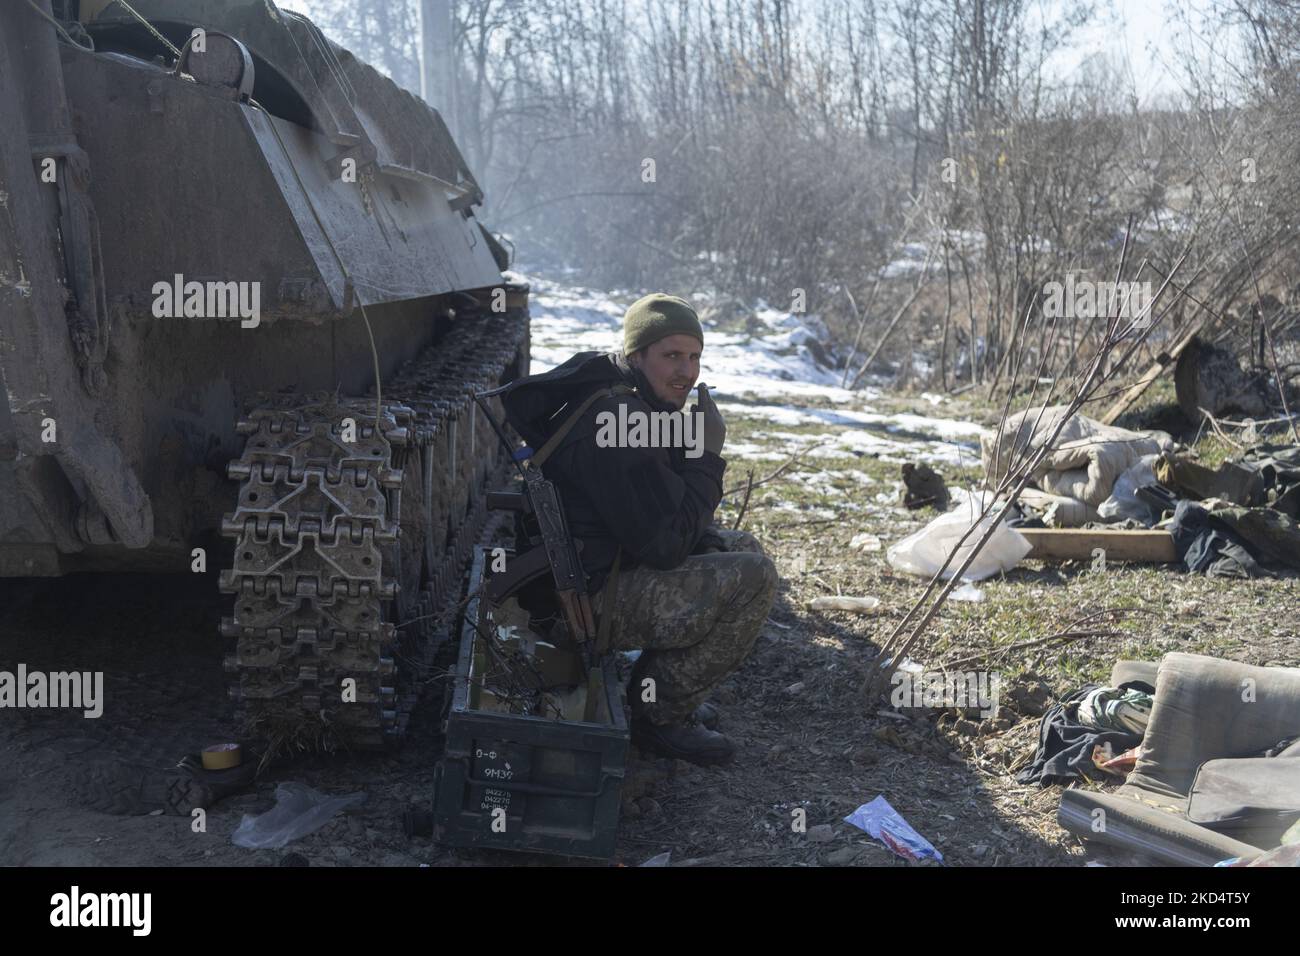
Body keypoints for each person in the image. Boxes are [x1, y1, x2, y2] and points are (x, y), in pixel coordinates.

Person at [540, 293, 779, 765]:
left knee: (738, 546)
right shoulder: (620, 423)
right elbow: (666, 547)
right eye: (671, 356)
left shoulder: (633, 404)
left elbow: (667, 521)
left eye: (694, 357)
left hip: (596, 569)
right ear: (636, 356)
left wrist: (687, 451)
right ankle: (658, 717)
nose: (687, 372)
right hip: (577, 604)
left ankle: (657, 691)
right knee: (755, 580)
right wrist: (707, 459)